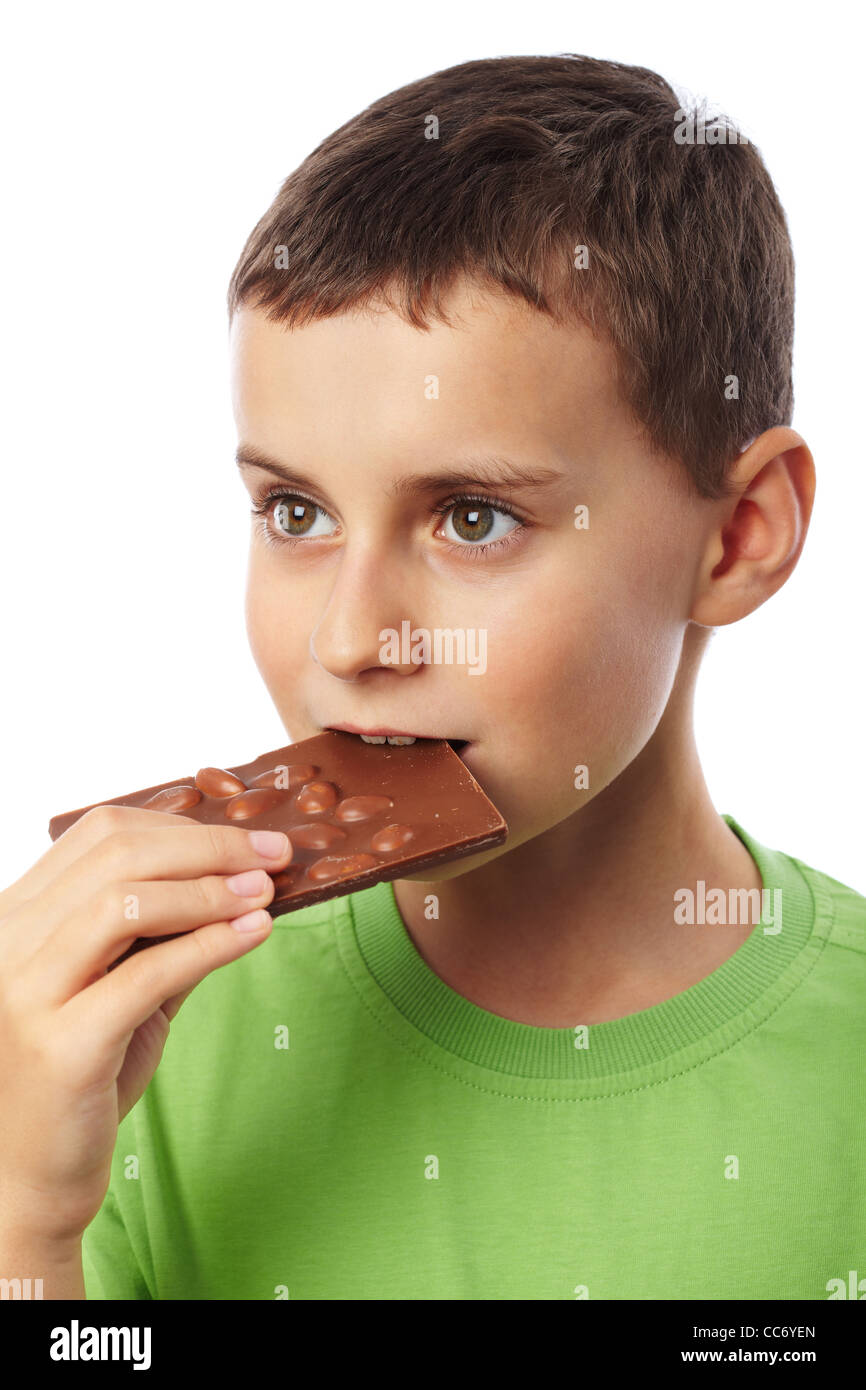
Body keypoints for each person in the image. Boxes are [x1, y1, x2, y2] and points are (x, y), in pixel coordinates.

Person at [2, 53, 863, 1301]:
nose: (349, 640)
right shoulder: (108, 1059)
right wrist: (24, 1226)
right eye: (294, 511)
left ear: (733, 538)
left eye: (470, 519)